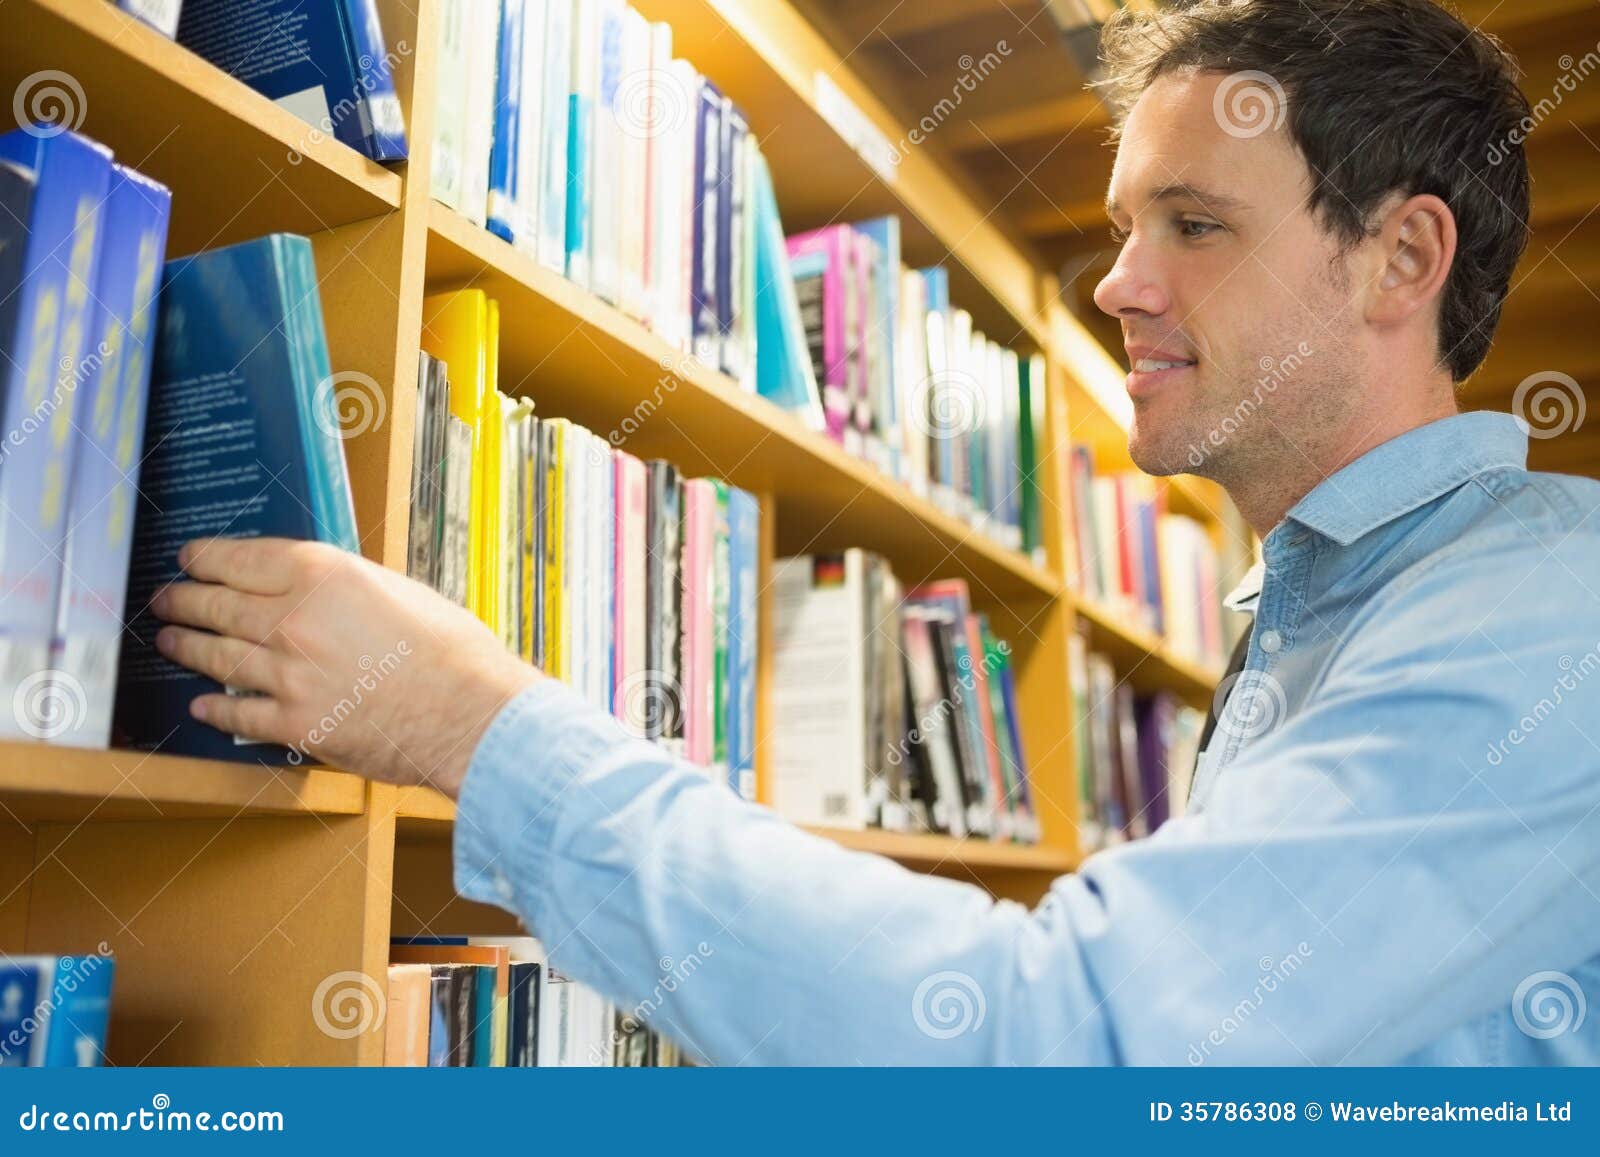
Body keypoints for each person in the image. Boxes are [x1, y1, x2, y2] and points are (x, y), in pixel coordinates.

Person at [150, 0, 1600, 1064]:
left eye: (1196, 227)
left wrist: (470, 721)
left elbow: (1064, 1052)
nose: (1116, 288)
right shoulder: (1325, 609)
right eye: (1117, 229)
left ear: (1403, 257)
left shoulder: (1547, 611)